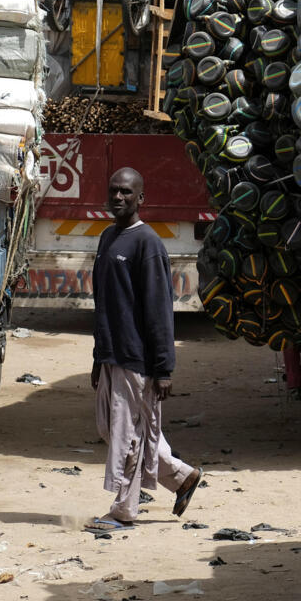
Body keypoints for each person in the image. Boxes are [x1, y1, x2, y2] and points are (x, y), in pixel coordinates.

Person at [85, 167, 203, 534]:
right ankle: (182, 477)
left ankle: (123, 511)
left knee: (128, 436)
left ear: (141, 198)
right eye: (113, 190)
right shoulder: (108, 238)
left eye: (125, 192)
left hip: (136, 359)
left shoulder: (148, 244)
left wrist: (164, 368)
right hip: (110, 354)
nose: (118, 197)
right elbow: (104, 302)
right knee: (114, 430)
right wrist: (97, 356)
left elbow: (158, 310)